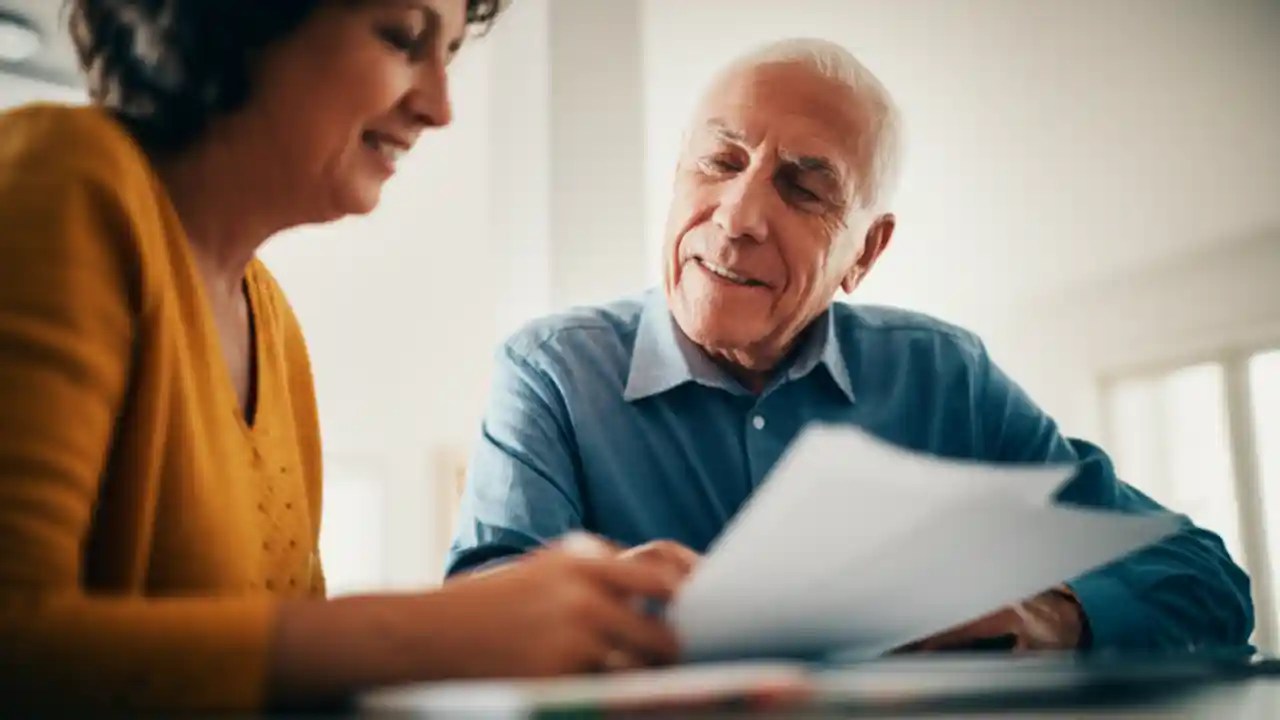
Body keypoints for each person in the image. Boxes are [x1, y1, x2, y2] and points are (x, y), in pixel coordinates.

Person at [448, 38, 1254, 654]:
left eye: (803, 187)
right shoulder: (550, 371)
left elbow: (1203, 578)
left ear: (865, 253)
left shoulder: (946, 379)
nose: (736, 216)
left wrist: (1050, 617)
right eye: (721, 161)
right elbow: (478, 620)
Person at [0, 0, 680, 712]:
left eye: (445, 58)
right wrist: (440, 633)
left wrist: (567, 620)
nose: (439, 108)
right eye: (400, 39)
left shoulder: (272, 324)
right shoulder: (65, 177)